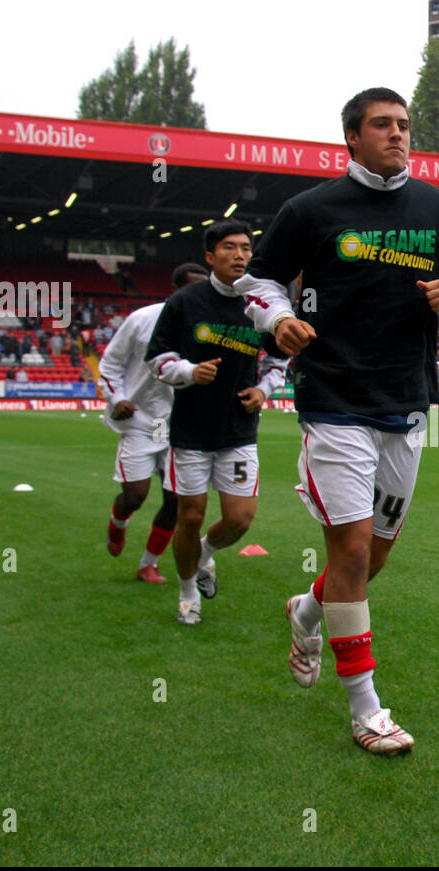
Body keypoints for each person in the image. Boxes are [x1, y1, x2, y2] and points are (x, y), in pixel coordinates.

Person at [236, 87, 439, 755]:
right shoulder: (311, 209)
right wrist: (276, 318)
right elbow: (258, 282)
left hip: (405, 400)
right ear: (351, 136)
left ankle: (306, 608)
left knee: (373, 558)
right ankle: (367, 708)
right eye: (382, 125)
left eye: (404, 125)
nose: (397, 135)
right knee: (347, 550)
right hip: (332, 396)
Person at [145, 221, 288, 625]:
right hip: (190, 429)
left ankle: (205, 553)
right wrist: (190, 372)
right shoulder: (185, 302)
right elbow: (157, 358)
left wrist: (264, 389)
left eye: (245, 248)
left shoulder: (261, 305)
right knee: (188, 515)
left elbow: (280, 359)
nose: (240, 255)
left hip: (239, 428)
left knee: (241, 519)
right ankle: (188, 591)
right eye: (230, 248)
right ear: (211, 256)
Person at [99, 262, 209, 583]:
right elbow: (110, 362)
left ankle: (149, 563)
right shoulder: (142, 319)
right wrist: (117, 398)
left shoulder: (206, 326)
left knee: (176, 499)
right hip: (138, 418)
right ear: (175, 290)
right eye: (190, 287)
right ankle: (118, 522)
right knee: (135, 495)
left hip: (176, 423)